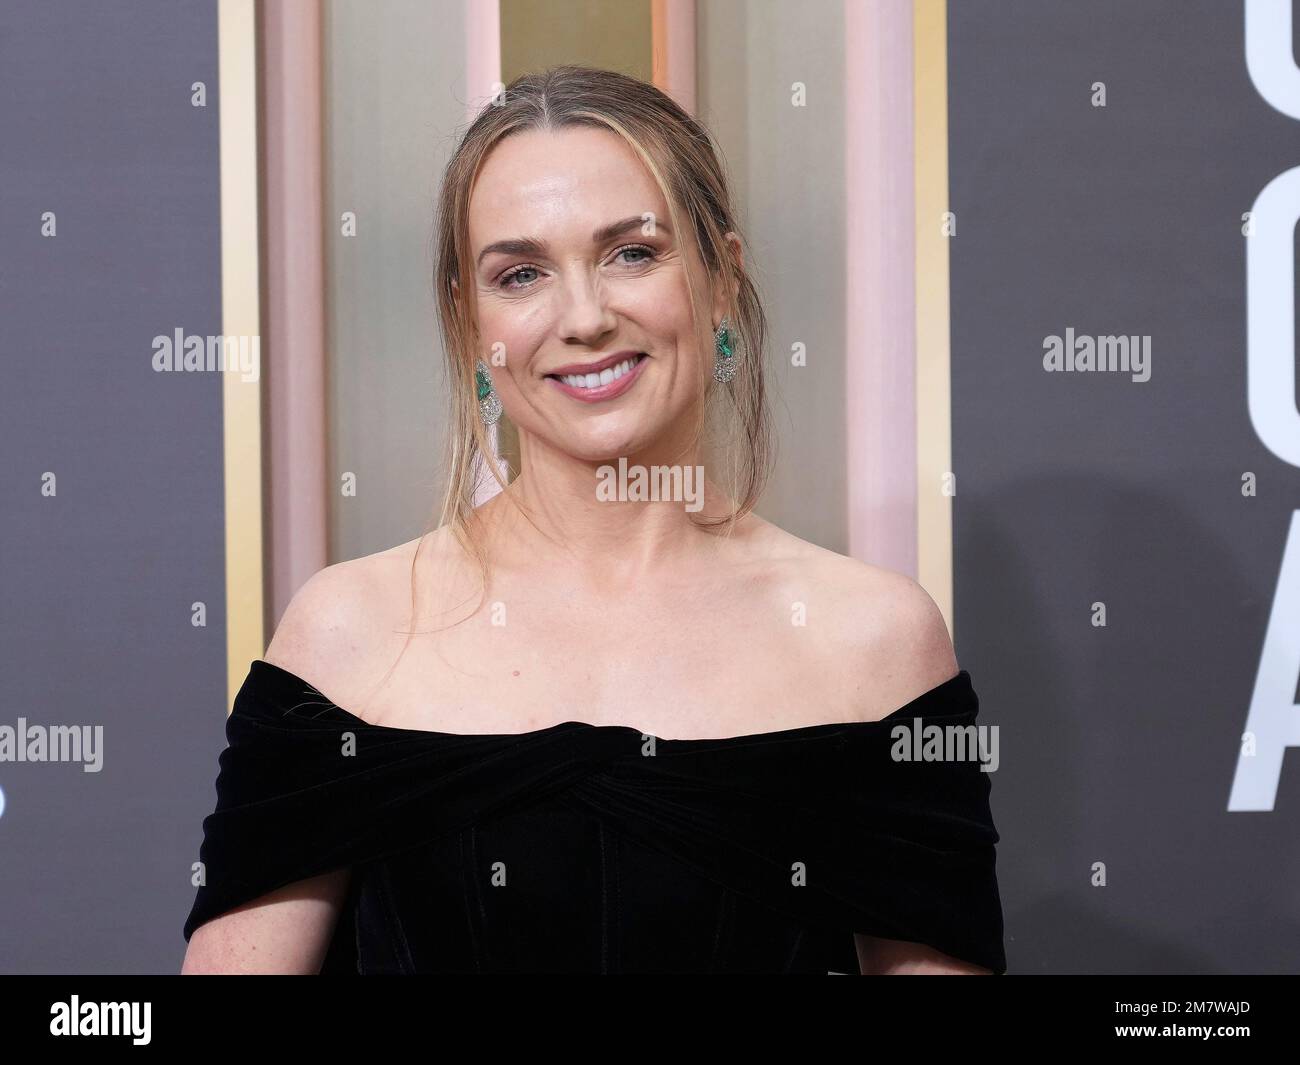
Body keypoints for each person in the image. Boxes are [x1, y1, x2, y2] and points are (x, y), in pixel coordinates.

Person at [180, 65, 1005, 975]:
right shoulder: (349, 635)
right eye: (521, 273)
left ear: (722, 279)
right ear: (469, 325)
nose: (584, 317)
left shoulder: (873, 642)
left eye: (633, 253)